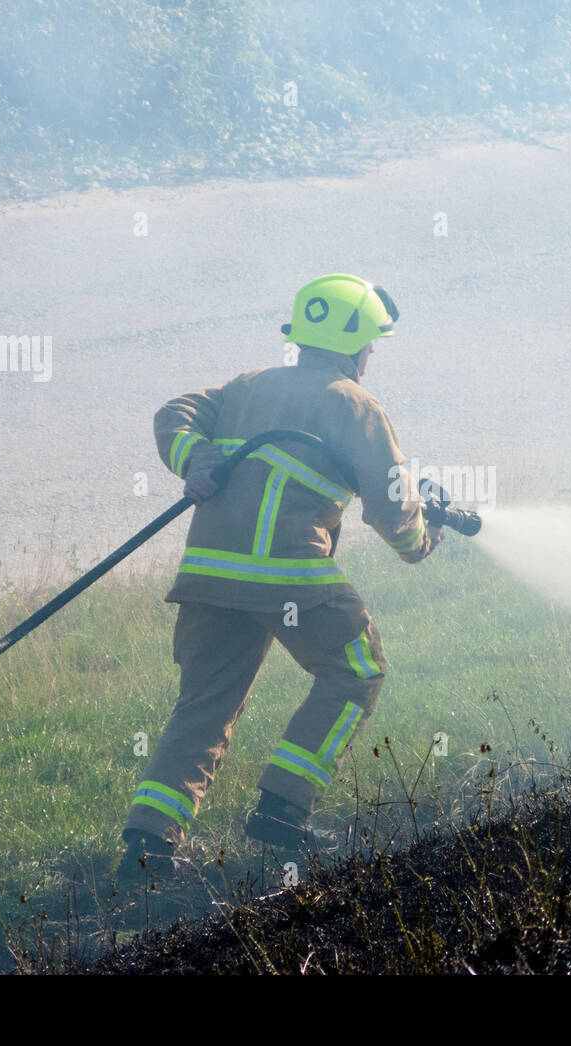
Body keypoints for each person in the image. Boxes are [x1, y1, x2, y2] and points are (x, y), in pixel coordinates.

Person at [117, 274, 442, 880]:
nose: (371, 356)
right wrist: (422, 541)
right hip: (288, 576)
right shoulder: (356, 404)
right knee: (356, 669)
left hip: (210, 579)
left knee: (203, 706)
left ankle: (147, 850)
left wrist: (195, 457)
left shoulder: (247, 387)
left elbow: (175, 412)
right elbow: (393, 504)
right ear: (353, 343)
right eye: (371, 343)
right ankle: (282, 810)